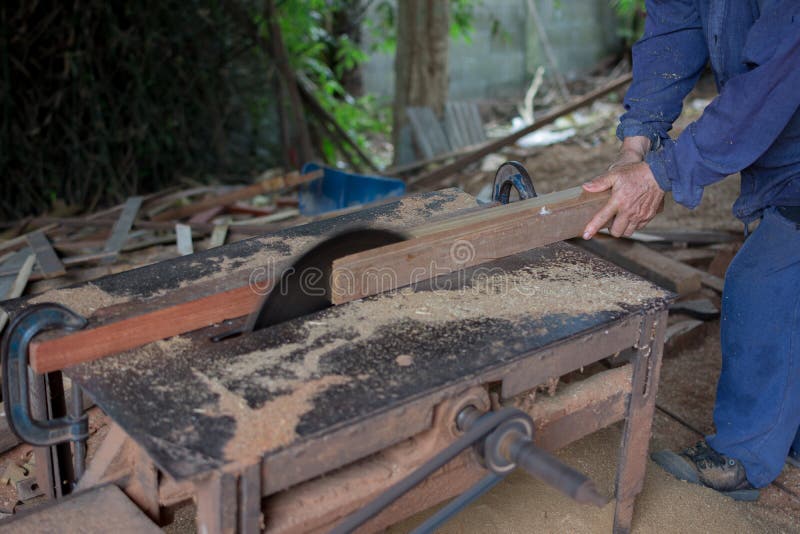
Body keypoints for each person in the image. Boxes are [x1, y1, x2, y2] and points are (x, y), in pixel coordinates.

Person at [581, 0, 800, 501]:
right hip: (784, 151)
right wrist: (635, 146)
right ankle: (788, 428)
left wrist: (664, 172)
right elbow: (673, 32)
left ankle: (741, 458)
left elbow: (773, 79)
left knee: (762, 282)